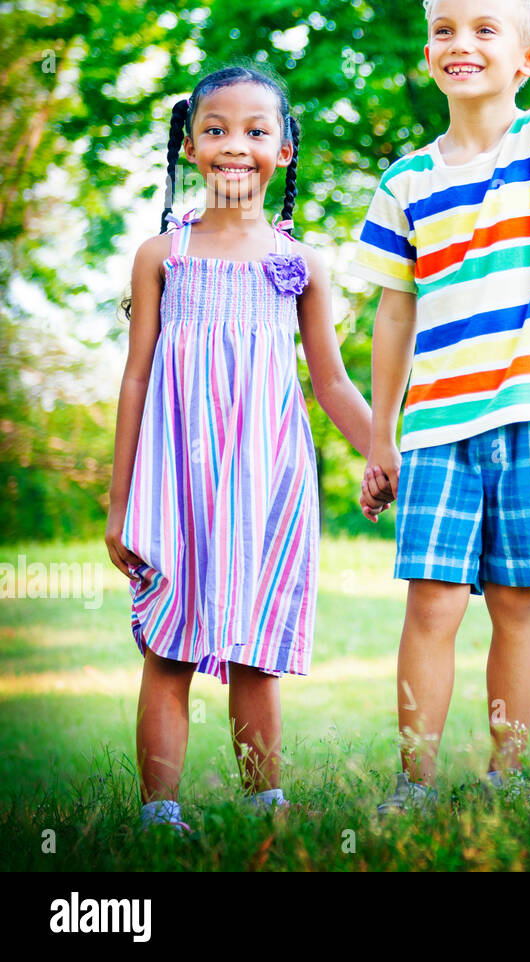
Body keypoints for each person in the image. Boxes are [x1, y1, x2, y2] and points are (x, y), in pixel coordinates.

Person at [353, 0, 530, 811]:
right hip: (435, 430)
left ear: (525, 57)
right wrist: (380, 437)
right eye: (443, 29)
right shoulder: (403, 180)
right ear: (429, 51)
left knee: (516, 604)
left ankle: (506, 776)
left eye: (483, 28)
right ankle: (415, 782)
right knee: (431, 606)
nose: (460, 42)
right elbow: (393, 315)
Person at [105, 66, 383, 832]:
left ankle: (266, 803)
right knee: (170, 647)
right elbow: (135, 379)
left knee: (257, 651)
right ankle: (159, 813)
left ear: (285, 150)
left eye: (257, 131)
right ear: (190, 145)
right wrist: (121, 501)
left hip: (268, 479)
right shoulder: (163, 255)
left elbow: (330, 382)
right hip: (174, 483)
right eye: (216, 129)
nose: (236, 145)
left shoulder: (302, 263)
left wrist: (383, 453)